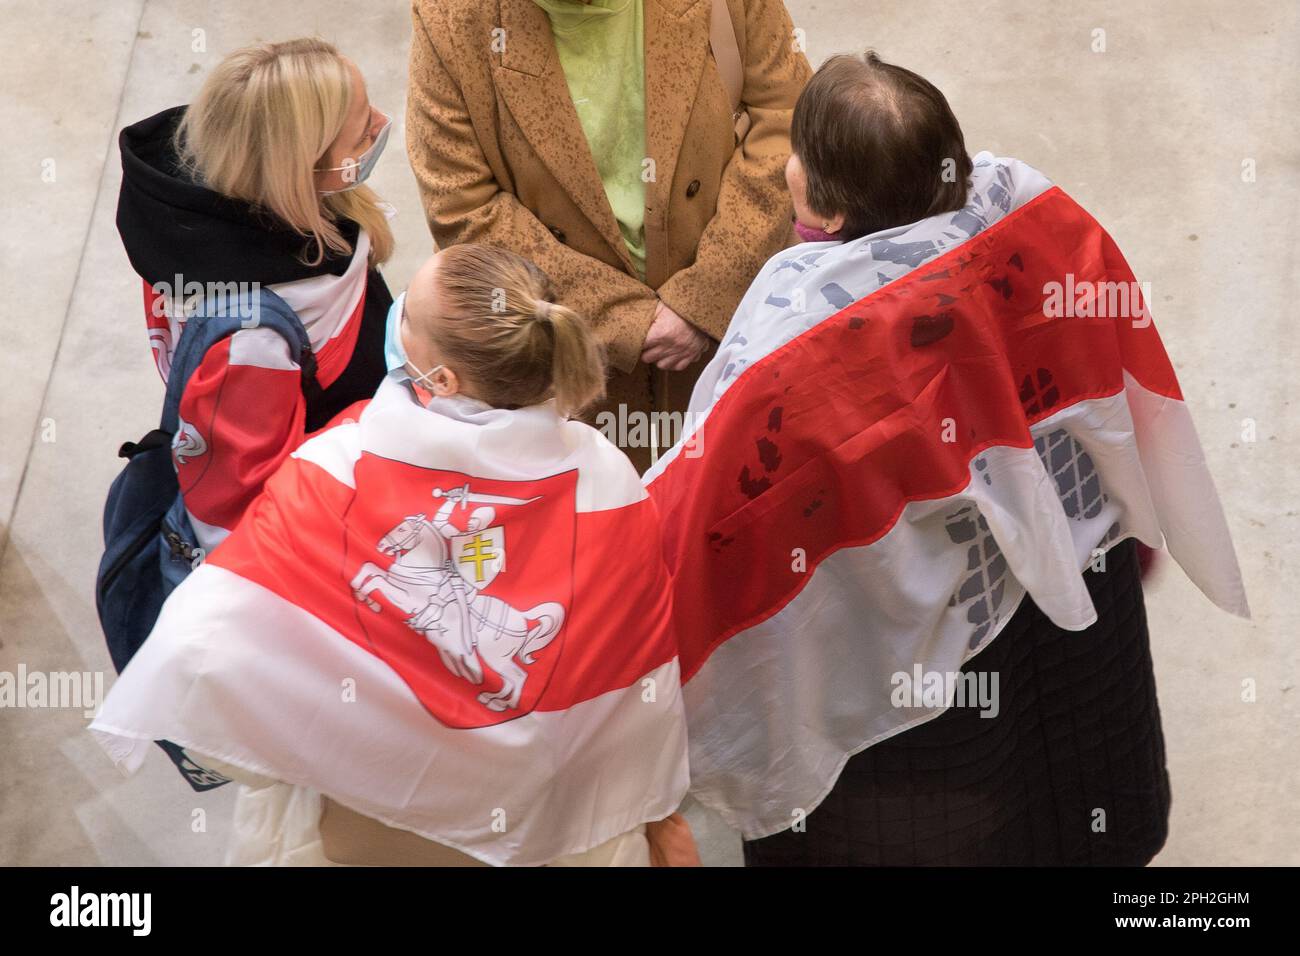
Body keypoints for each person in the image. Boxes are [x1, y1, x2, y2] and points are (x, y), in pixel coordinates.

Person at [643, 52, 1249, 865]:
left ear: (822, 200)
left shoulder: (794, 346)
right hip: (1071, 592)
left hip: (906, 664)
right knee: (1074, 802)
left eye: (800, 154)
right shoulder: (1036, 222)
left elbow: (712, 523)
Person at [92, 245, 699, 867]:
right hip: (551, 829)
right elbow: (632, 676)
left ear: (443, 380)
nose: (395, 314)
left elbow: (206, 648)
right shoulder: (609, 477)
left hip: (362, 833)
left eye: (407, 317)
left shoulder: (337, 465)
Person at [405, 0, 812, 471]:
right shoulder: (451, 19)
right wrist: (624, 321)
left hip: (734, 334)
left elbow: (784, 120)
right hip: (568, 367)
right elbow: (461, 204)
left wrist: (706, 293)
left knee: (730, 494)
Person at [115, 37, 396, 556]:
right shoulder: (250, 341)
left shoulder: (210, 205)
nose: (381, 125)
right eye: (361, 133)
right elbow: (248, 504)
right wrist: (384, 429)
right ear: (301, 167)